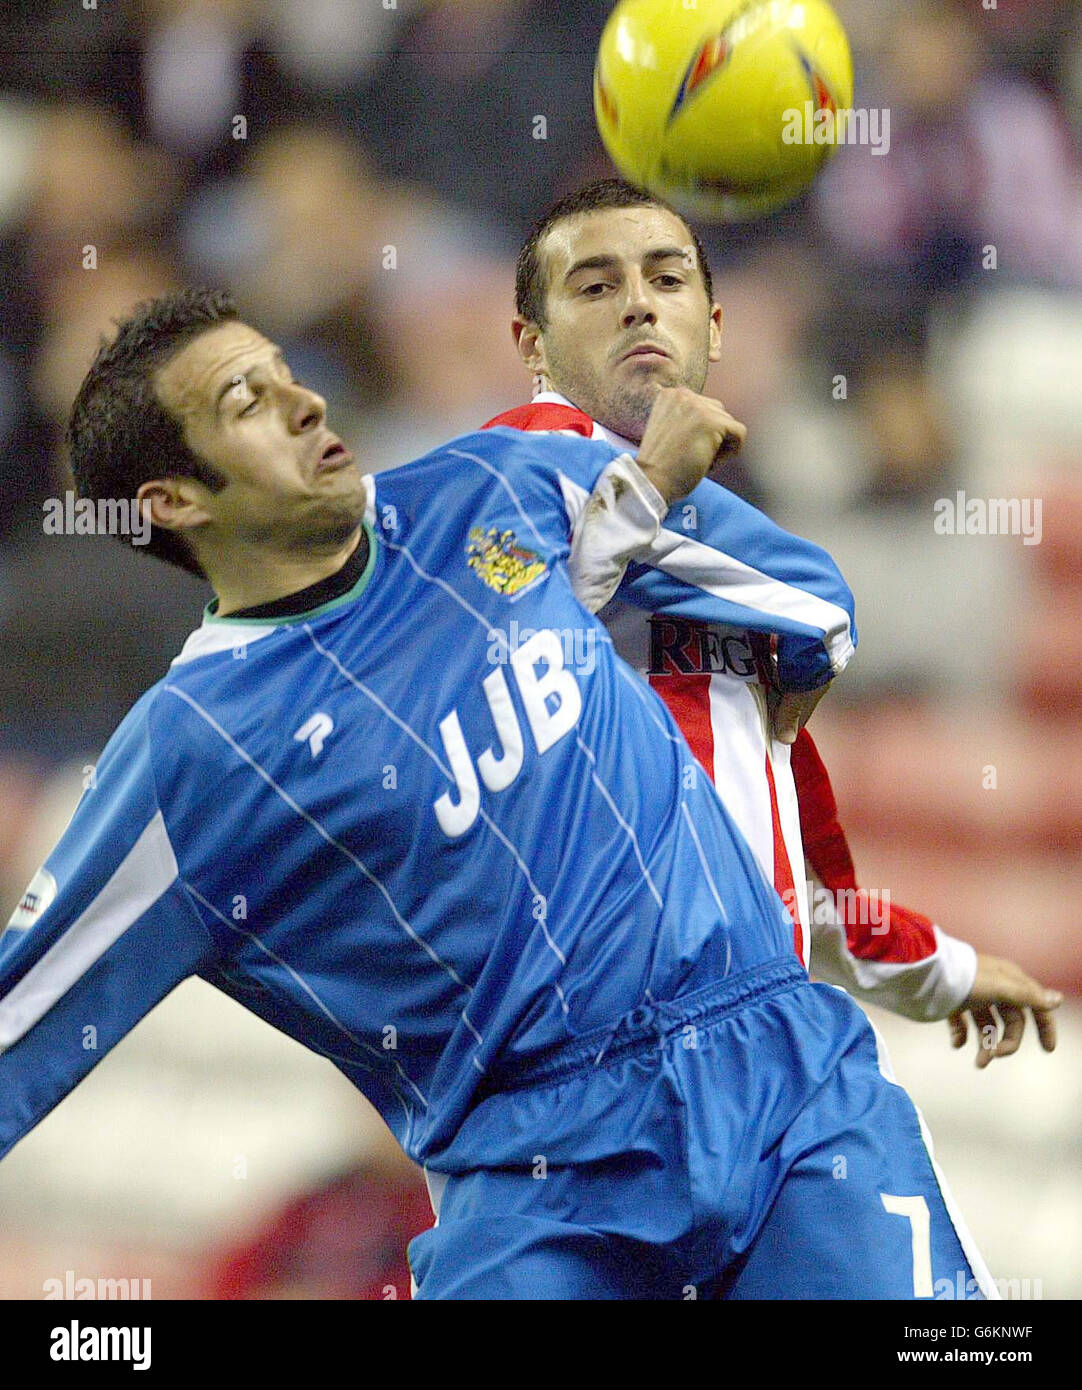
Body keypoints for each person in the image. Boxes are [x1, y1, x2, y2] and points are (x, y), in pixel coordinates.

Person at [1, 288, 989, 1300]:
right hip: (535, 1185)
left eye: (286, 370)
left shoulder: (497, 484)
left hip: (774, 1078)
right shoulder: (190, 755)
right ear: (173, 499)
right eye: (245, 400)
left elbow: (805, 607)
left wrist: (654, 508)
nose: (304, 403)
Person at [484, 178, 1062, 1069]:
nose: (638, 305)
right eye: (596, 287)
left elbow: (781, 875)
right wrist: (647, 494)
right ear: (532, 343)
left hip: (773, 1058)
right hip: (598, 1065)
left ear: (714, 327)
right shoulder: (500, 480)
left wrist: (939, 967)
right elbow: (819, 601)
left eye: (668, 281)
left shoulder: (714, 553)